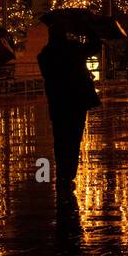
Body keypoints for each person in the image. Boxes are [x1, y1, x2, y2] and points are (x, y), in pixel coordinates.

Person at [38, 28, 101, 193]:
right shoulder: (74, 48)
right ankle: (69, 172)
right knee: (74, 137)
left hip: (57, 101)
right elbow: (94, 47)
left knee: (60, 138)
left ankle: (62, 172)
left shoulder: (45, 54)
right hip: (77, 100)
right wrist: (90, 30)